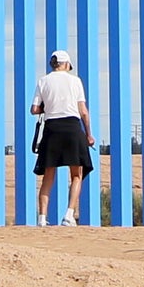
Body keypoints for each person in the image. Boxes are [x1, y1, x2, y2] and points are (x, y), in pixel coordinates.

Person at [31, 48, 94, 225]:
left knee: (48, 175)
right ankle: (69, 214)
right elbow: (83, 111)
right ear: (65, 64)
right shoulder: (75, 81)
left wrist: (49, 107)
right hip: (72, 128)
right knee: (76, 174)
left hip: (52, 129)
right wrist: (89, 134)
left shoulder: (43, 81)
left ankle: (42, 218)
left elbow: (34, 109)